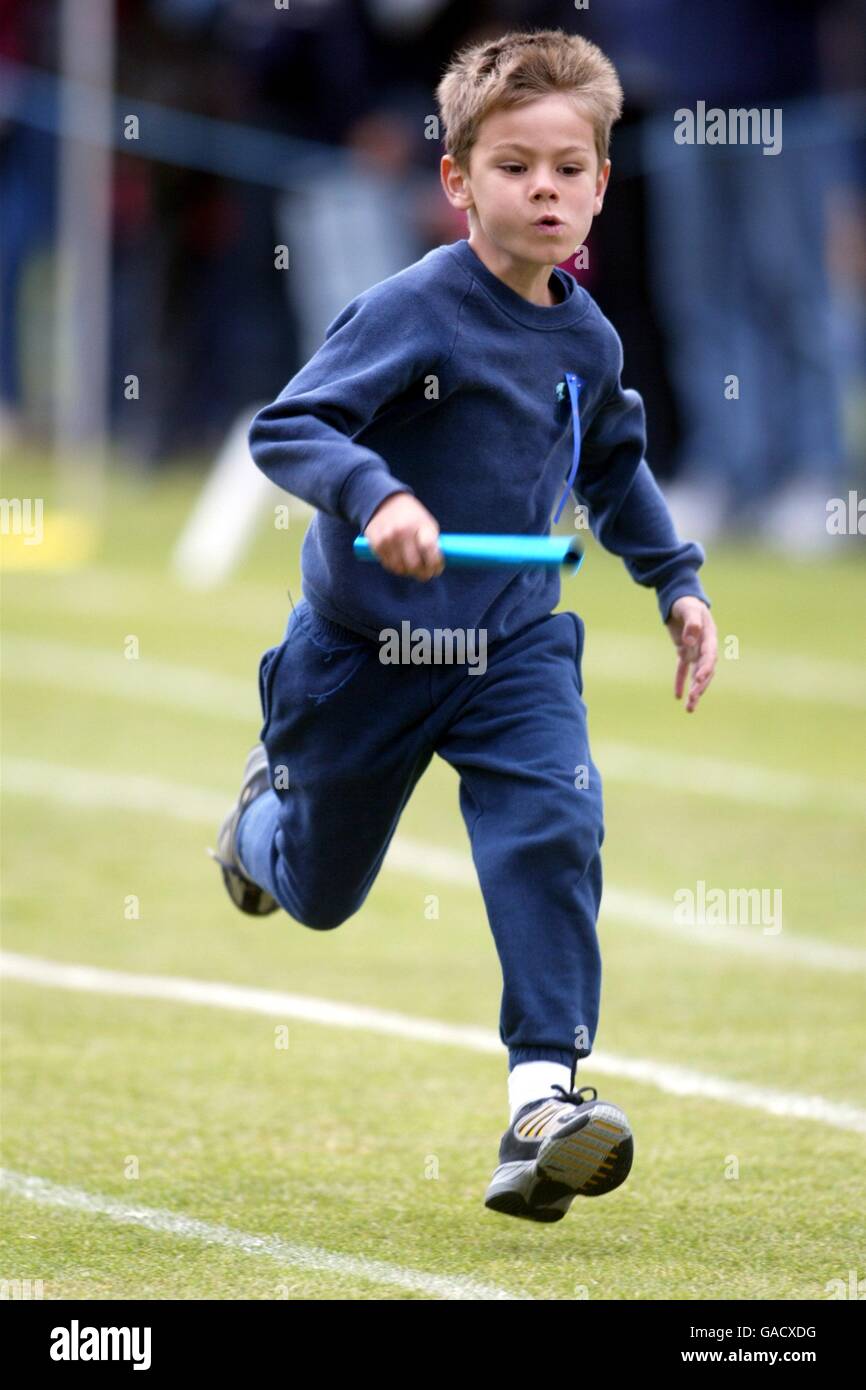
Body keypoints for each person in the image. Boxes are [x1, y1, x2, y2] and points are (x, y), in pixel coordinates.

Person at [209, 28, 718, 1223]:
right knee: (322, 893)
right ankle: (260, 823)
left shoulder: (586, 337)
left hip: (511, 645)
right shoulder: (411, 309)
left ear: (600, 184)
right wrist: (375, 494)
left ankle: (544, 1100)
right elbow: (287, 429)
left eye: (567, 168)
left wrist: (676, 584)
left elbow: (616, 468)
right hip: (366, 655)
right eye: (512, 166)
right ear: (456, 181)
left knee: (552, 824)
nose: (543, 189)